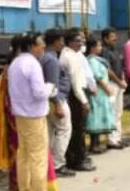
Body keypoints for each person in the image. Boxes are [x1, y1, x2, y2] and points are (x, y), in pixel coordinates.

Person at [0, 36, 59, 191]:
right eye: (41, 45)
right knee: (38, 157)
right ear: (31, 46)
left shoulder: (15, 63)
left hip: (20, 115)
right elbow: (39, 93)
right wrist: (51, 87)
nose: (44, 48)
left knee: (23, 155)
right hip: (34, 116)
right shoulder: (32, 64)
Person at [40, 29, 75, 177]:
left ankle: (48, 164)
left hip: (47, 102)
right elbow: (52, 85)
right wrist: (58, 105)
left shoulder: (43, 57)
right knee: (64, 130)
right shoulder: (52, 60)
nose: (62, 43)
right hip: (56, 100)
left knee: (50, 133)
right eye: (61, 41)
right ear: (55, 42)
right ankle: (58, 164)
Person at [61, 29, 96, 171]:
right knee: (78, 129)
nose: (81, 42)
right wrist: (84, 101)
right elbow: (75, 83)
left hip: (75, 94)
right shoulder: (70, 57)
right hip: (76, 96)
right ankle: (78, 160)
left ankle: (76, 158)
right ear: (71, 42)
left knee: (76, 128)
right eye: (78, 40)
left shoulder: (72, 55)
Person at [85, 37, 117, 152]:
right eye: (98, 46)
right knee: (95, 117)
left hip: (101, 93)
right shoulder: (92, 61)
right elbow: (97, 77)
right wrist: (107, 88)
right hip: (97, 92)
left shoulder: (98, 60)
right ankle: (94, 145)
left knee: (100, 116)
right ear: (92, 48)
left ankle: (97, 143)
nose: (100, 48)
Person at [100, 29, 128, 149]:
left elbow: (120, 67)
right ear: (105, 39)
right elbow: (108, 70)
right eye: (112, 37)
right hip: (111, 84)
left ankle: (118, 138)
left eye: (115, 36)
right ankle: (112, 140)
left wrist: (123, 80)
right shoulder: (104, 51)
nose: (115, 38)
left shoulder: (115, 50)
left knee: (118, 112)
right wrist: (119, 81)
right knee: (112, 112)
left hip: (119, 84)